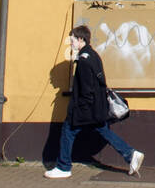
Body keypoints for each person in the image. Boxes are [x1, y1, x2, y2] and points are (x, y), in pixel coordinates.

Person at [45, 25, 144, 178]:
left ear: (80, 39)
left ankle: (63, 167)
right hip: (96, 109)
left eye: (72, 40)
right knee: (104, 132)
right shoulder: (93, 55)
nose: (70, 43)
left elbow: (86, 90)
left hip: (86, 110)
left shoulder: (84, 61)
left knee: (67, 131)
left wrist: (78, 110)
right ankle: (131, 155)